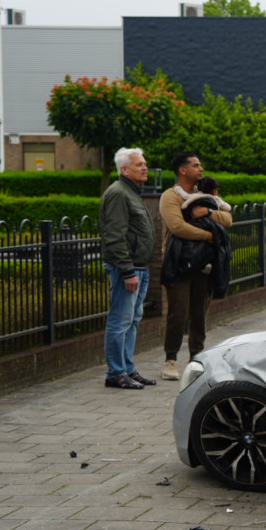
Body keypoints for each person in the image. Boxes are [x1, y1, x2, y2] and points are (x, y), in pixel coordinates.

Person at [159, 152, 234, 381]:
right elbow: (177, 226)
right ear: (183, 170)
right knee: (178, 312)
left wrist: (208, 212)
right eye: (196, 165)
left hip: (205, 262)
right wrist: (208, 236)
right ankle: (171, 360)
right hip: (179, 261)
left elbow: (228, 219)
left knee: (199, 312)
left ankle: (196, 359)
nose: (201, 169)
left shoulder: (204, 192)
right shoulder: (170, 196)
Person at [101, 147, 157, 390]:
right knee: (120, 321)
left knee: (132, 321)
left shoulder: (132, 192)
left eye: (144, 163)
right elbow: (114, 236)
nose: (145, 167)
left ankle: (128, 369)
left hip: (139, 268)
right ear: (124, 170)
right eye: (139, 164)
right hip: (128, 269)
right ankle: (116, 373)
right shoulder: (118, 193)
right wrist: (127, 271)